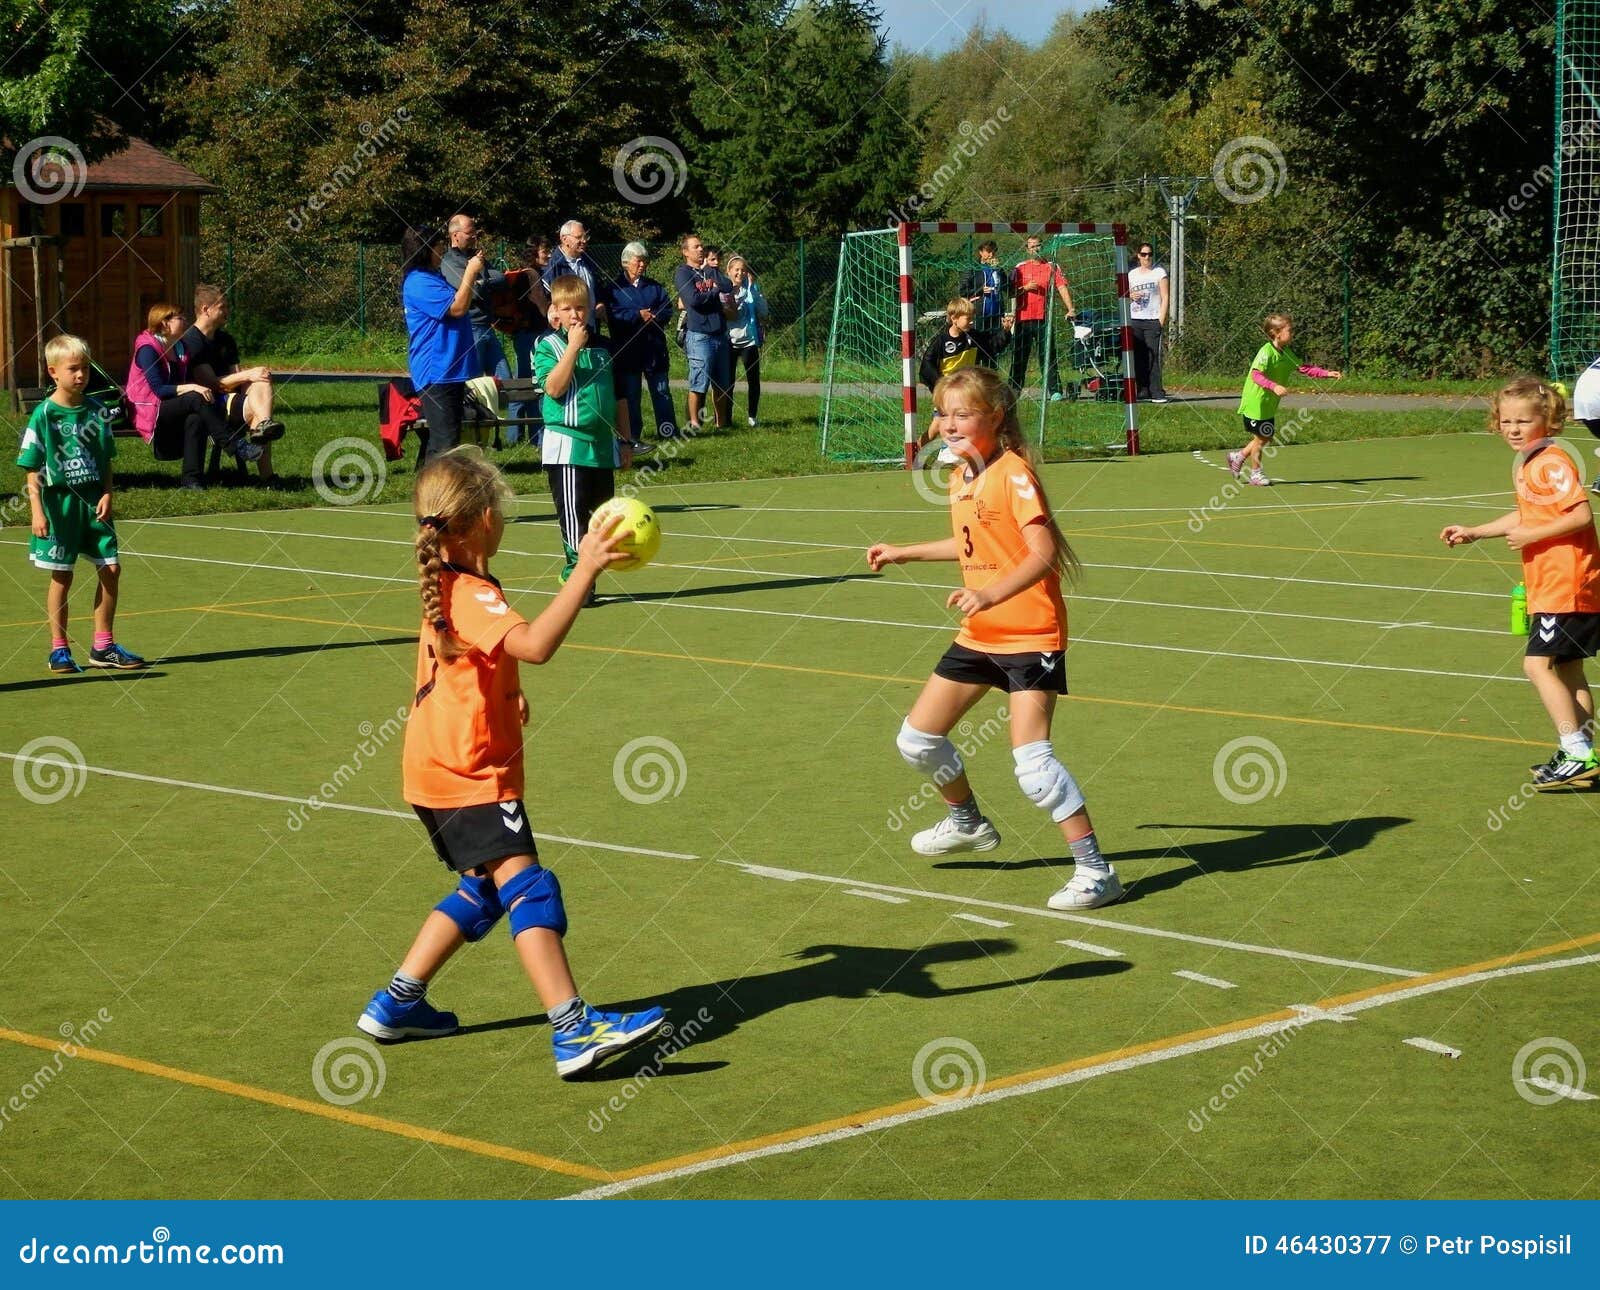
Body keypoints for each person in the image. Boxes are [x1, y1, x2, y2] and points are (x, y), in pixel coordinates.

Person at [355, 447, 666, 1078]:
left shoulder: (452, 581)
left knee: (483, 889)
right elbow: (537, 643)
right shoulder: (468, 590)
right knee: (529, 885)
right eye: (498, 506)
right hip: (469, 772)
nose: (504, 515)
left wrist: (508, 688)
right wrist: (586, 569)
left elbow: (475, 658)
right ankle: (574, 1028)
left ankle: (396, 1004)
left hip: (435, 768)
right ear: (479, 524)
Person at [865, 366, 1121, 910]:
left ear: (995, 416)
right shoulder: (961, 476)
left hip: (1031, 636)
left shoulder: (1014, 474)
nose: (949, 424)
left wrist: (989, 594)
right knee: (918, 741)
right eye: (943, 414)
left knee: (1034, 767)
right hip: (981, 635)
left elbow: (1043, 554)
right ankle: (968, 822)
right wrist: (904, 551)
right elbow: (970, 544)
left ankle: (1097, 873)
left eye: (963, 414)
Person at [1442, 377, 1600, 788]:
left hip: (1567, 581)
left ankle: (1577, 752)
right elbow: (1529, 516)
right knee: (1569, 671)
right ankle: (1583, 753)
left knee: (1536, 665)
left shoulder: (1551, 461)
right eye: (1506, 420)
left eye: (1523, 421)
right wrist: (1476, 531)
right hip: (1558, 583)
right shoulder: (1531, 460)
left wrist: (1533, 536)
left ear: (1546, 420)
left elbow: (1580, 515)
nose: (1512, 429)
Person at [20, 334, 145, 674]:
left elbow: (104, 459)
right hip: (59, 508)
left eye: (85, 368)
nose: (80, 375)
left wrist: (107, 493)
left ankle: (103, 646)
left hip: (93, 503)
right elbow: (32, 468)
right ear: (53, 372)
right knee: (62, 576)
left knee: (112, 568)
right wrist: (37, 510)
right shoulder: (44, 415)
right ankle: (59, 649)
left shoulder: (96, 411)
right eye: (73, 368)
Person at [533, 276, 633, 600]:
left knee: (599, 518)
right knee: (574, 518)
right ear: (555, 313)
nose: (575, 315)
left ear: (589, 309)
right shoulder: (548, 345)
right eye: (567, 309)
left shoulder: (604, 347)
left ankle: (586, 579)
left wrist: (625, 441)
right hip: (567, 445)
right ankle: (577, 581)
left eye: (580, 307)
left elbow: (619, 398)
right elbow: (554, 388)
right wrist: (573, 347)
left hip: (602, 445)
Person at [125, 302, 259, 490]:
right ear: (165, 323)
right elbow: (159, 390)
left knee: (196, 417)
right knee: (195, 398)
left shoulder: (180, 347)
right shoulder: (148, 348)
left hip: (172, 404)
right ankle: (235, 444)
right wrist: (193, 387)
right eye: (180, 318)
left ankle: (192, 480)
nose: (185, 320)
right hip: (147, 407)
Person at [182, 283, 285, 483]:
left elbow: (237, 378)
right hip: (209, 403)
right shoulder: (192, 341)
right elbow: (212, 384)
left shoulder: (226, 339)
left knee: (261, 386)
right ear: (206, 309)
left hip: (232, 397)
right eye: (222, 307)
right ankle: (267, 476)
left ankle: (264, 424)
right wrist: (248, 375)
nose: (227, 311)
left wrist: (255, 382)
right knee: (256, 399)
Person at [1229, 312, 1341, 486]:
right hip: (1255, 403)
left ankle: (1238, 456)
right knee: (1260, 438)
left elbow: (1303, 368)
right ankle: (1256, 474)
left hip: (1268, 404)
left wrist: (1326, 373)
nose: (1293, 334)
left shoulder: (1286, 353)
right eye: (1290, 330)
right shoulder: (1266, 352)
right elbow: (1256, 375)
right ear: (1276, 332)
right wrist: (1274, 386)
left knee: (1266, 437)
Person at [402, 224, 482, 460]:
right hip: (436, 372)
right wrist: (470, 271)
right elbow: (457, 308)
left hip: (450, 370)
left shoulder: (432, 278)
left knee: (447, 440)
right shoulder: (419, 282)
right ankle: (435, 493)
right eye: (439, 246)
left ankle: (436, 490)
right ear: (426, 249)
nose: (442, 251)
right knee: (444, 444)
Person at [609, 241, 676, 449]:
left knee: (662, 391)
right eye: (639, 261)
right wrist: (637, 315)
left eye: (645, 261)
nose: (642, 265)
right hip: (627, 351)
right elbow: (613, 315)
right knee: (631, 396)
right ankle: (633, 436)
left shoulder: (655, 286)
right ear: (626, 262)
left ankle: (668, 431)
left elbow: (667, 309)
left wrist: (654, 315)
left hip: (654, 349)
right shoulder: (613, 288)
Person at [439, 213, 510, 382]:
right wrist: (480, 279)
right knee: (475, 383)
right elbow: (474, 292)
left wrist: (478, 276)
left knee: (507, 381)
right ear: (455, 235)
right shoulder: (449, 262)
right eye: (470, 232)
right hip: (470, 329)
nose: (474, 236)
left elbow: (501, 279)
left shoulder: (477, 256)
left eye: (475, 232)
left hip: (487, 326)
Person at [675, 233, 735, 431]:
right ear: (685, 252)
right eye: (696, 247)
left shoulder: (708, 271)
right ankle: (693, 424)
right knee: (699, 383)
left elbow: (728, 286)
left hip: (719, 334)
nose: (701, 249)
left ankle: (722, 423)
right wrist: (713, 292)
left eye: (701, 246)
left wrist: (712, 271)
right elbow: (693, 300)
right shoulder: (683, 273)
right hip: (699, 336)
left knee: (722, 383)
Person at [1009, 234, 1075, 400]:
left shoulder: (1051, 266)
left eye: (1037, 246)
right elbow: (1010, 292)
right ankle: (1013, 391)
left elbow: (1062, 287)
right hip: (1022, 319)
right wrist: (1025, 288)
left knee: (1047, 355)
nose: (1035, 249)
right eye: (1031, 246)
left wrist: (1071, 308)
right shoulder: (1019, 268)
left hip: (1043, 318)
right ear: (1027, 249)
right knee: (1019, 356)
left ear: (1042, 246)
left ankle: (1055, 391)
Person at [507, 237, 553, 446]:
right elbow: (541, 305)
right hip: (529, 335)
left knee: (532, 384)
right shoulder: (531, 275)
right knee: (524, 384)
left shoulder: (539, 274)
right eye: (545, 251)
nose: (549, 254)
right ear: (535, 252)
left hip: (531, 334)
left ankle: (534, 436)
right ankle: (514, 436)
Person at [726, 255, 769, 428]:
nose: (740, 273)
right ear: (729, 271)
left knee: (754, 380)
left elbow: (764, 311)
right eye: (736, 269)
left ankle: (752, 416)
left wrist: (752, 290)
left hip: (749, 341)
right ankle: (725, 418)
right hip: (729, 340)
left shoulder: (751, 289)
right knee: (728, 382)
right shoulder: (723, 289)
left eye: (743, 270)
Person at [542, 219, 609, 330]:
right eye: (579, 237)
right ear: (565, 239)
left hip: (592, 327)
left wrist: (600, 302)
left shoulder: (589, 260)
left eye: (585, 237)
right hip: (567, 331)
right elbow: (547, 299)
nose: (584, 241)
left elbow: (598, 287)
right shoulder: (552, 266)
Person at [1127, 242, 1169, 403]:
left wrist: (1161, 319)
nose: (1147, 257)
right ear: (1138, 255)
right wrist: (1131, 295)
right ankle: (1142, 389)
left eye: (1149, 254)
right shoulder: (1132, 274)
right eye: (1143, 254)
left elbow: (1165, 296)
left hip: (1152, 320)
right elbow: (1124, 293)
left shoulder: (1159, 273)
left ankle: (1157, 391)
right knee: (1138, 356)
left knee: (1153, 356)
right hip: (1135, 319)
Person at [958, 239, 1007, 346]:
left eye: (993, 252)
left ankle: (992, 362)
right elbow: (962, 291)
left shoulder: (997, 268)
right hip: (979, 314)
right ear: (981, 252)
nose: (991, 254)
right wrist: (980, 290)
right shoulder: (973, 268)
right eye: (988, 251)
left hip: (996, 314)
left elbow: (1006, 286)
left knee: (995, 346)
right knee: (977, 346)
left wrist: (999, 269)